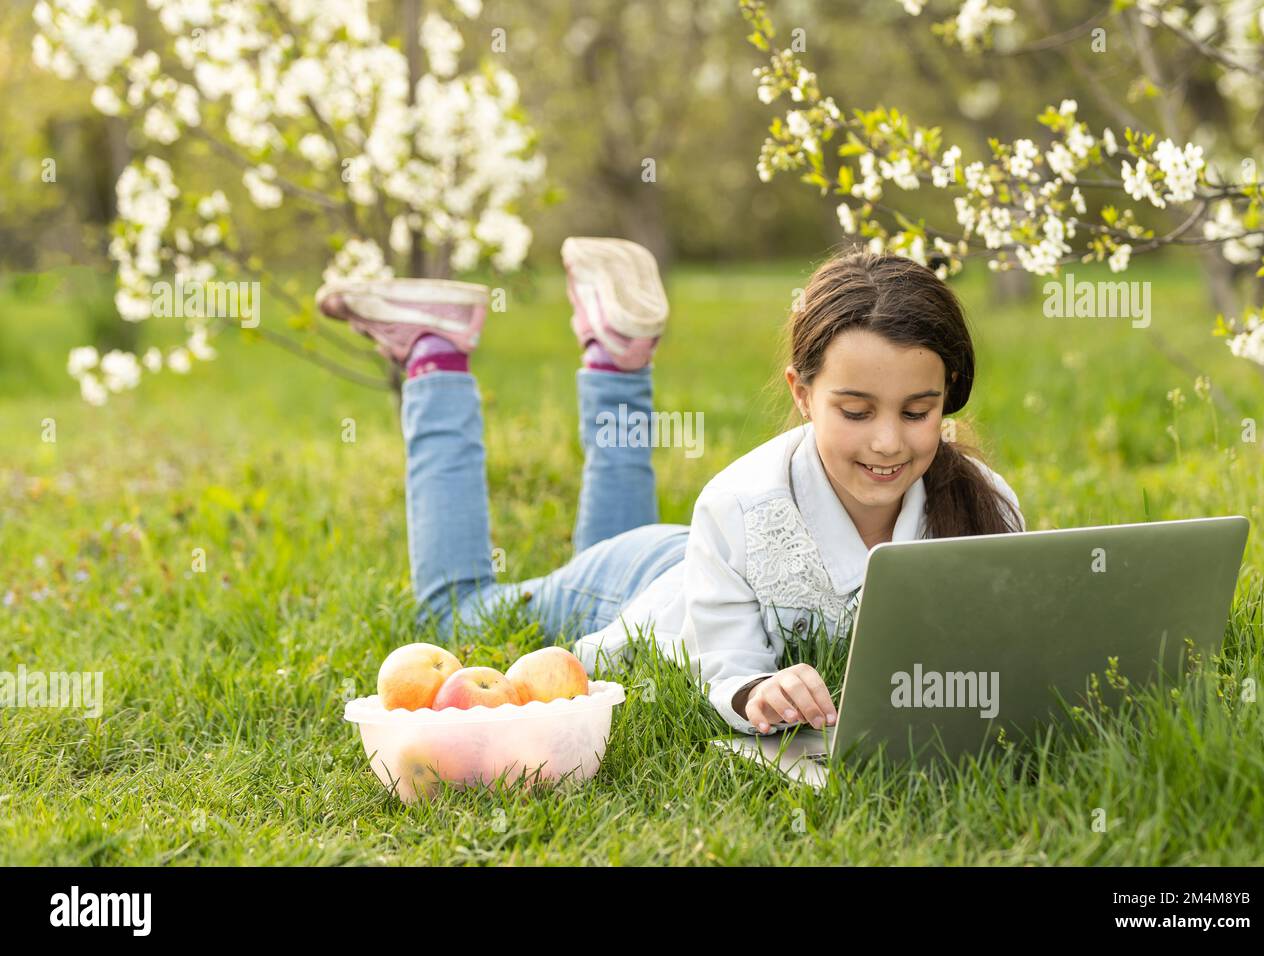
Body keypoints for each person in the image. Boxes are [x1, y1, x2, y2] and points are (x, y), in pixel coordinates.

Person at [316, 241, 1024, 739]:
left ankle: (617, 351)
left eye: (918, 410)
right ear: (802, 393)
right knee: (457, 614)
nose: (888, 443)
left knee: (608, 548)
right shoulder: (739, 502)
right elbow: (728, 669)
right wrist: (758, 692)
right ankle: (434, 352)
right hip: (655, 591)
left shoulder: (983, 502)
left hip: (697, 564)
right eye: (857, 411)